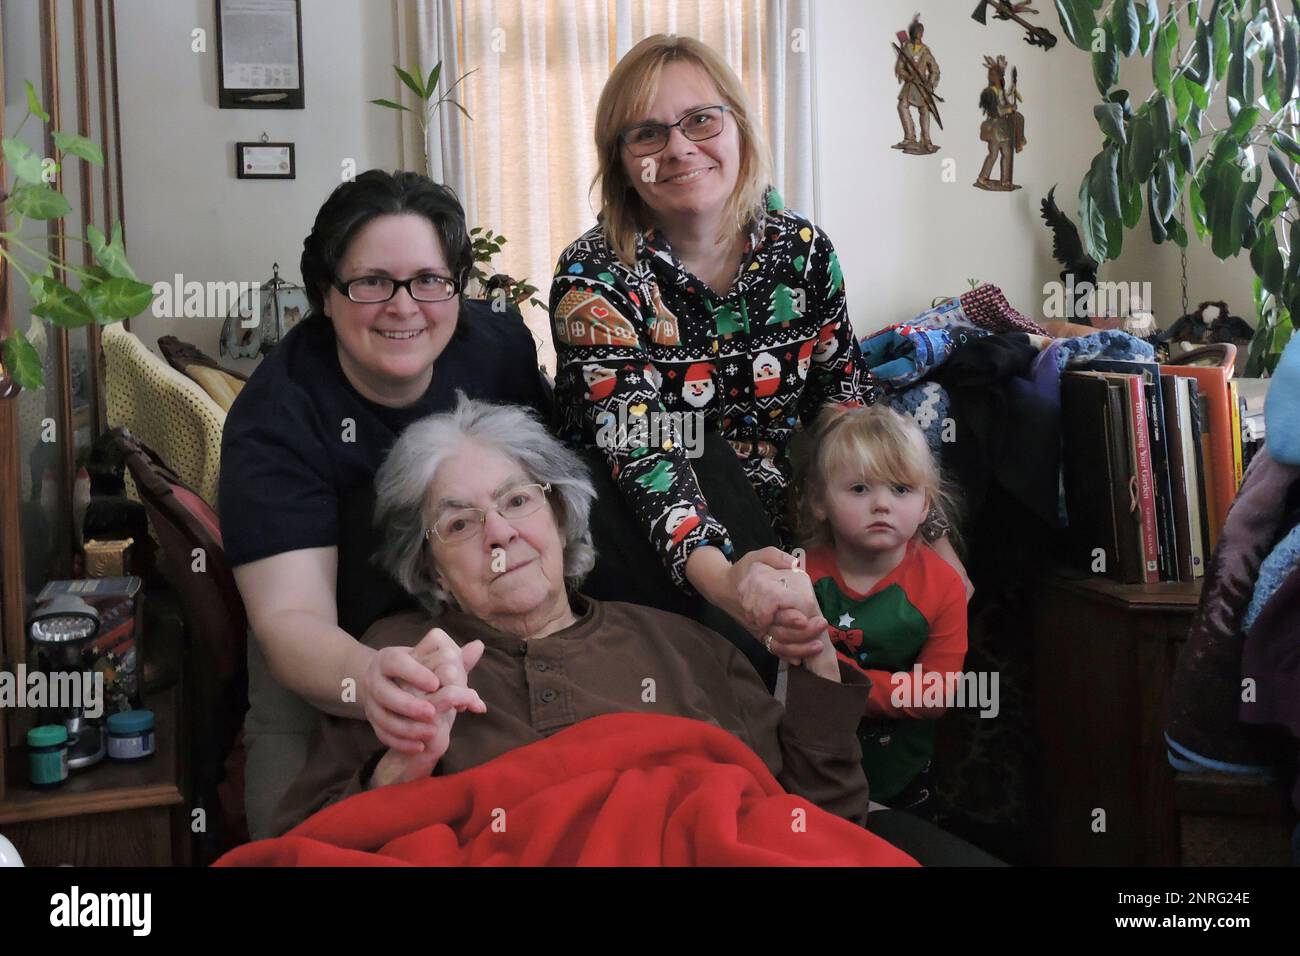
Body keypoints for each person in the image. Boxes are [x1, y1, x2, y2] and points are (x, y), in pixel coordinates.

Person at [548, 34, 970, 686]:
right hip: (631, 510)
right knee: (698, 444)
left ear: (739, 128)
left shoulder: (800, 252)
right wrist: (733, 584)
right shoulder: (596, 275)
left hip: (773, 510)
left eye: (700, 120)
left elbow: (846, 400)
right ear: (623, 163)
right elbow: (644, 450)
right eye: (648, 134)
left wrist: (930, 536)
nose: (680, 148)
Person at [270, 396, 874, 834]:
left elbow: (822, 821)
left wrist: (815, 650)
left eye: (517, 500)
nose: (500, 533)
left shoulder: (686, 646)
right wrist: (405, 766)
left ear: (560, 515)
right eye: (459, 523)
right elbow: (311, 843)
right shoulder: (398, 661)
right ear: (429, 569)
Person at [219, 170, 549, 764]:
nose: (404, 307)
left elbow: (550, 494)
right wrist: (373, 681)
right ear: (325, 293)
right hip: (341, 645)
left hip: (490, 617)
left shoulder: (498, 348)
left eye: (428, 280)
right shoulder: (275, 419)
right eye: (373, 282)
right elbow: (291, 619)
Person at [781, 403, 968, 820]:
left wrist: (840, 678)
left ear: (925, 506)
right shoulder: (798, 574)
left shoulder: (942, 586)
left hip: (903, 779)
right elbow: (789, 683)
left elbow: (936, 693)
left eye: (901, 489)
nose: (881, 504)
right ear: (819, 501)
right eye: (860, 489)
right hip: (810, 773)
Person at [894, 15, 941, 154]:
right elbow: (900, 67)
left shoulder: (925, 50)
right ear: (913, 32)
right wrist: (907, 75)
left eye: (920, 30)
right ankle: (910, 137)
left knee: (925, 110)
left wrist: (930, 83)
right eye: (916, 30)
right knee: (902, 106)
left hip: (922, 85)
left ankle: (926, 139)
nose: (919, 33)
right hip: (910, 84)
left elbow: (935, 69)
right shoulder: (906, 47)